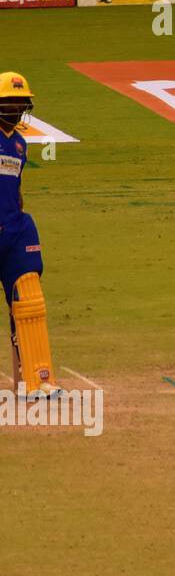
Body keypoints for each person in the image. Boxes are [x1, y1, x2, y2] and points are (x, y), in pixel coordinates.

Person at [0, 72, 62, 397]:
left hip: (12, 230)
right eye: (8, 101)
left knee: (28, 302)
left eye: (20, 102)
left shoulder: (20, 143)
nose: (15, 107)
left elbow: (15, 187)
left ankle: (36, 379)